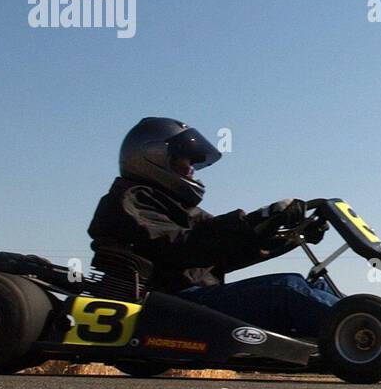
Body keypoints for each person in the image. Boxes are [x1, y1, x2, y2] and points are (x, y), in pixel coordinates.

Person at [87, 117, 336, 337]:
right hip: (170, 302)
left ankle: (360, 324)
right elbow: (183, 246)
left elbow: (225, 250)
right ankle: (362, 329)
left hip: (197, 298)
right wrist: (254, 219)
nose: (192, 171)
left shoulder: (179, 208)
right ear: (155, 158)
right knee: (287, 288)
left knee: (315, 285)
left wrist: (291, 235)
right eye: (185, 161)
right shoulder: (130, 200)